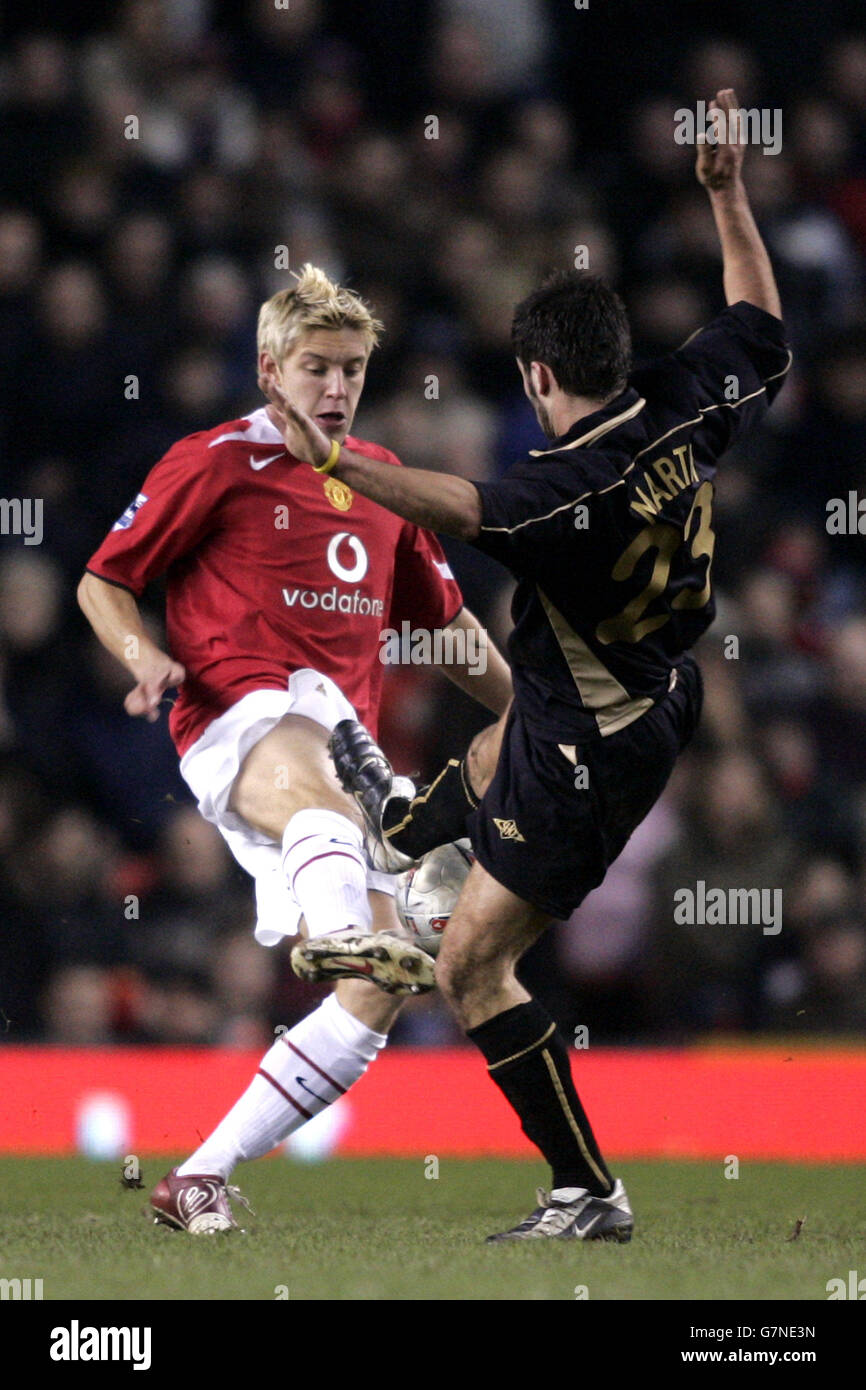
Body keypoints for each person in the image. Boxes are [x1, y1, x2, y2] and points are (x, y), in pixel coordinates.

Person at [261, 92, 792, 1242]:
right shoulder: (687, 402)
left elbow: (455, 505)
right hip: (650, 684)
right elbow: (756, 312)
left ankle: (585, 1191)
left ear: (539, 378)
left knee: (469, 970)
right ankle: (406, 835)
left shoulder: (563, 493)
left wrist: (333, 458)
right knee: (501, 727)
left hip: (594, 746)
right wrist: (725, 195)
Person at [78, 264, 512, 1233]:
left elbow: (444, 630)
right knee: (316, 755)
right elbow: (102, 581)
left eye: (352, 369)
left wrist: (528, 714)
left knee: (381, 987)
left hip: (340, 757)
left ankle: (200, 1176)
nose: (336, 386)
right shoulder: (213, 461)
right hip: (236, 721)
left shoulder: (382, 481)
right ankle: (334, 921)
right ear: (271, 370)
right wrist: (143, 657)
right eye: (317, 366)